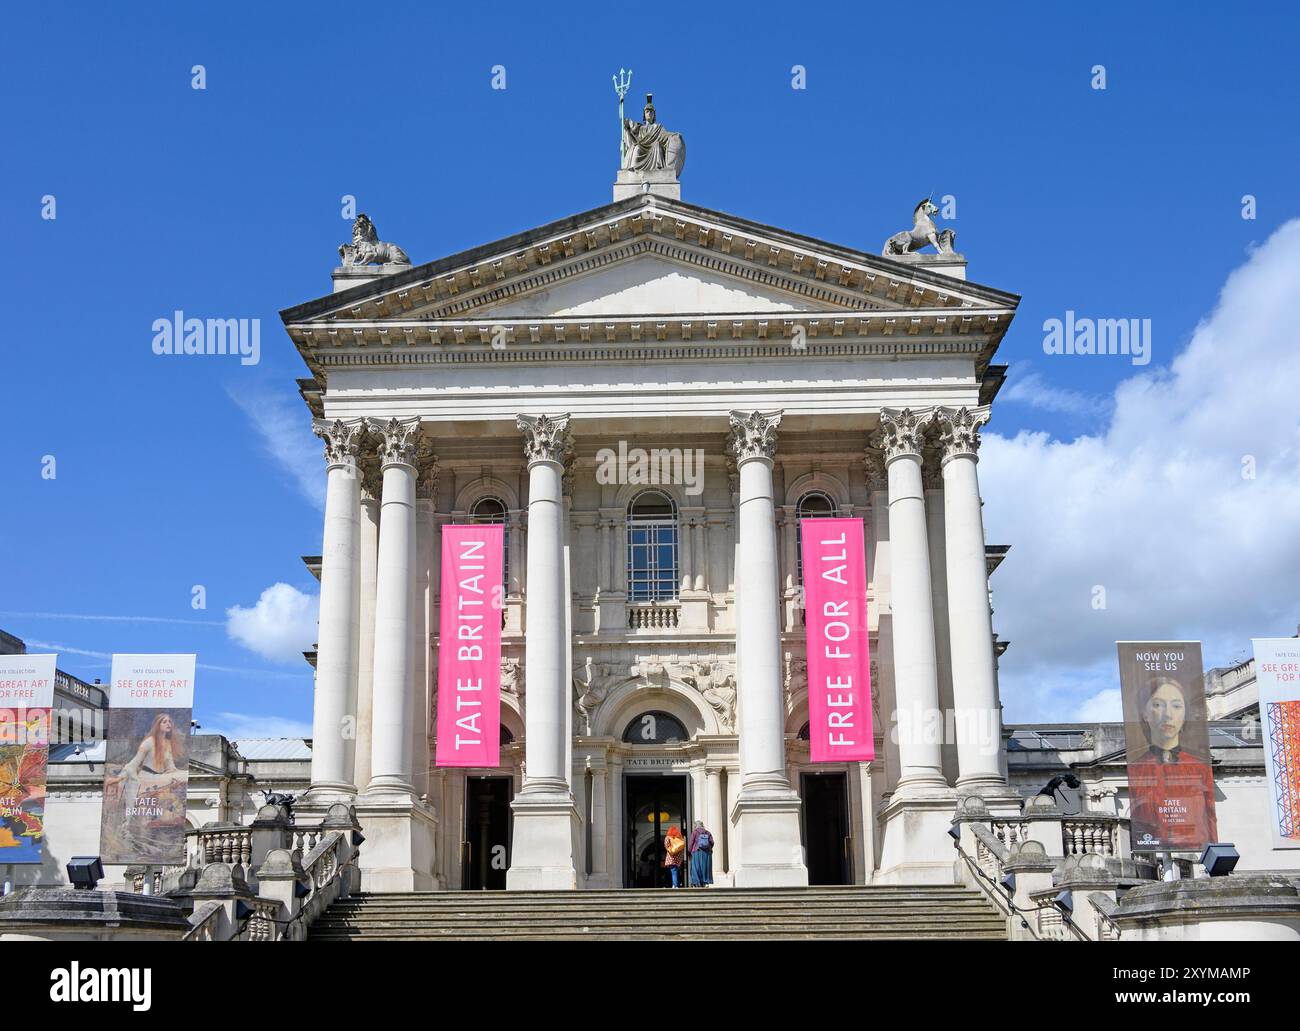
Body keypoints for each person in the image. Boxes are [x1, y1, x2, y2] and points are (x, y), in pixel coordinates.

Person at [1127, 678, 1217, 849]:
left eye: (1176, 706)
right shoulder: (1136, 767)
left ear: (1184, 714)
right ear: (1145, 714)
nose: (1168, 714)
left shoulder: (1200, 767)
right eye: (1158, 705)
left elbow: (1210, 820)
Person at [688, 819, 714, 887]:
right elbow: (712, 842)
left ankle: (697, 883)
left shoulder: (695, 832)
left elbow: (691, 843)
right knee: (705, 868)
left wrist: (689, 852)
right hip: (706, 853)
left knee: (696, 868)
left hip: (696, 852)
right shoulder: (708, 832)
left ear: (696, 826)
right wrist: (709, 848)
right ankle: (706, 883)